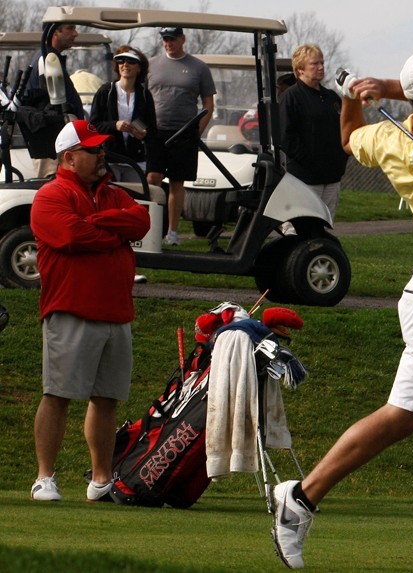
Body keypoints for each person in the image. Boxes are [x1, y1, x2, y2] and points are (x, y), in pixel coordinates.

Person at [269, 47, 413, 573]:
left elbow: (348, 138)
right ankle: (301, 498)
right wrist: (389, 87)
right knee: (406, 416)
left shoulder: (393, 141)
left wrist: (354, 97)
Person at [28, 119, 151, 502]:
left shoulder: (112, 194)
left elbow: (141, 221)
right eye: (93, 149)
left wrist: (98, 223)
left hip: (116, 311)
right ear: (69, 157)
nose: (101, 154)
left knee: (106, 399)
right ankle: (44, 477)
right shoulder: (51, 195)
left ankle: (101, 479)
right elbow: (69, 234)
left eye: (100, 148)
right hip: (71, 309)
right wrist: (114, 236)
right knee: (58, 394)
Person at [146, 27, 216, 246]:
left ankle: (173, 232)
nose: (168, 43)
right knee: (152, 179)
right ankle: (150, 228)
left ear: (182, 39)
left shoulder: (199, 67)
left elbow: (208, 105)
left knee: (177, 183)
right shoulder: (150, 65)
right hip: (156, 132)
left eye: (172, 39)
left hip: (184, 133)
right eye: (165, 40)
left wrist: (197, 132)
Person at [278, 44, 350, 229]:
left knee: (324, 224)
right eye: (314, 63)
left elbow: (344, 128)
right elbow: (285, 136)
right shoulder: (291, 97)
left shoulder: (331, 97)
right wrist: (308, 161)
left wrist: (341, 157)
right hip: (305, 178)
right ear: (300, 69)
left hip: (332, 175)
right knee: (299, 225)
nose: (320, 67)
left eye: (322, 63)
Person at [22, 23, 87, 179]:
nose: (75, 33)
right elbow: (49, 103)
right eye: (70, 28)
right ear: (54, 33)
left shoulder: (52, 58)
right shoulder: (47, 59)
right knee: (52, 184)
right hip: (51, 139)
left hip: (58, 136)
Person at [89, 46, 157, 182]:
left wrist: (142, 132)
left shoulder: (144, 95)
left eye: (131, 61)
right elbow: (93, 126)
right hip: (110, 160)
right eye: (121, 61)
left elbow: (152, 128)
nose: (125, 64)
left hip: (135, 162)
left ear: (139, 68)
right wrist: (115, 125)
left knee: (133, 200)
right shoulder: (105, 91)